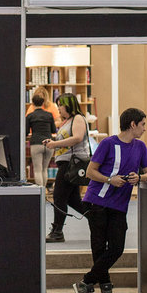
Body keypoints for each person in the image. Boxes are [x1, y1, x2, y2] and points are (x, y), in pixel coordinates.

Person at [73, 107, 147, 293]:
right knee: (99, 247)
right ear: (132, 124)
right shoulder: (108, 143)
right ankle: (106, 287)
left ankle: (86, 282)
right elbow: (91, 172)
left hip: (119, 205)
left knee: (116, 247)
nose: (144, 128)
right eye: (142, 124)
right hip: (97, 200)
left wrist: (139, 177)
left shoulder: (140, 147)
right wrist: (110, 180)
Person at [44, 93, 90, 243]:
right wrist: (52, 141)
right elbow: (66, 138)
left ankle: (57, 231)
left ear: (68, 105)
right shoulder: (67, 121)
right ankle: (98, 219)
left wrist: (55, 144)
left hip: (72, 163)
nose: (59, 110)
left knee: (59, 196)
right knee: (73, 200)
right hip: (66, 162)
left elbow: (77, 138)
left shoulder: (78, 118)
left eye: (60, 106)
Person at [26, 92, 56, 189]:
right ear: (43, 103)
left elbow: (26, 131)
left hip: (36, 144)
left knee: (38, 170)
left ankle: (41, 193)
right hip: (49, 143)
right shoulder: (49, 115)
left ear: (32, 103)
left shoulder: (30, 116)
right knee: (44, 169)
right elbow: (53, 130)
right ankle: (45, 191)